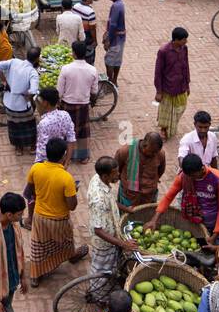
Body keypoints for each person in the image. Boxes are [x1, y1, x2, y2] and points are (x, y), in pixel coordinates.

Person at [22, 137, 84, 287]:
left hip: (39, 217)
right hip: (59, 220)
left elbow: (29, 192)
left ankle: (35, 276)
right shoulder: (66, 178)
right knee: (66, 241)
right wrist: (73, 192)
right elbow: (72, 206)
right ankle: (71, 255)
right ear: (63, 156)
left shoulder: (36, 168)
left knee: (38, 246)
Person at [154, 153, 219, 243]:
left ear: (201, 169)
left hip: (214, 226)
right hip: (195, 225)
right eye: (188, 176)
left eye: (193, 176)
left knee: (216, 253)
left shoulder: (218, 180)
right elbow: (168, 197)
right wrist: (154, 219)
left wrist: (215, 235)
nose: (191, 179)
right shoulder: (184, 177)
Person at [86, 156, 135, 277]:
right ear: (105, 176)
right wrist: (123, 244)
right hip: (104, 243)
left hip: (112, 235)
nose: (118, 175)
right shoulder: (99, 200)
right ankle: (97, 294)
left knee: (110, 266)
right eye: (115, 173)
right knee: (100, 272)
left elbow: (112, 201)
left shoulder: (98, 178)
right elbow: (98, 230)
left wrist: (126, 209)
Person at [57, 40, 98, 164]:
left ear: (73, 53)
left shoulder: (65, 69)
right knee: (82, 132)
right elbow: (94, 91)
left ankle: (64, 154)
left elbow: (59, 91)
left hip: (67, 104)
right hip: (83, 105)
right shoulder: (92, 70)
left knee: (65, 130)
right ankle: (83, 156)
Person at [0, 47, 41, 154]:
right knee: (30, 125)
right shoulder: (32, 72)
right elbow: (33, 90)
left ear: (26, 55)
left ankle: (18, 148)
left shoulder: (14, 62)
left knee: (14, 126)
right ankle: (32, 147)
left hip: (9, 103)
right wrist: (28, 97)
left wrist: (4, 81)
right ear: (37, 59)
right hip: (22, 106)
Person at [153, 27, 190, 140]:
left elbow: (186, 66)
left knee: (181, 108)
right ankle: (164, 129)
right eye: (183, 39)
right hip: (167, 87)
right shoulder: (163, 51)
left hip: (181, 86)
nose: (185, 41)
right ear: (176, 40)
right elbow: (158, 72)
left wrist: (187, 84)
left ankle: (172, 125)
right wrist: (159, 91)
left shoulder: (184, 49)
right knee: (166, 111)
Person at [115, 132, 166, 210]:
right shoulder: (125, 151)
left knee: (146, 218)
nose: (154, 155)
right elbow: (117, 169)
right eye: (152, 152)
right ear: (145, 146)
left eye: (156, 152)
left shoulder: (160, 154)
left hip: (149, 196)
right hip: (129, 196)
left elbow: (160, 171)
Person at [34, 88, 76, 164]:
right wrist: (67, 162)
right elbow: (71, 139)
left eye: (41, 101)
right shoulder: (65, 115)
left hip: (47, 163)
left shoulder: (44, 123)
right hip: (61, 157)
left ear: (45, 103)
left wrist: (38, 165)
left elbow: (42, 150)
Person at [103, 0, 126, 84]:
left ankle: (110, 82)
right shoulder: (120, 4)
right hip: (120, 38)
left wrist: (108, 40)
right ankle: (114, 80)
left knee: (109, 61)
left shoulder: (116, 6)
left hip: (116, 38)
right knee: (117, 60)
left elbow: (113, 25)